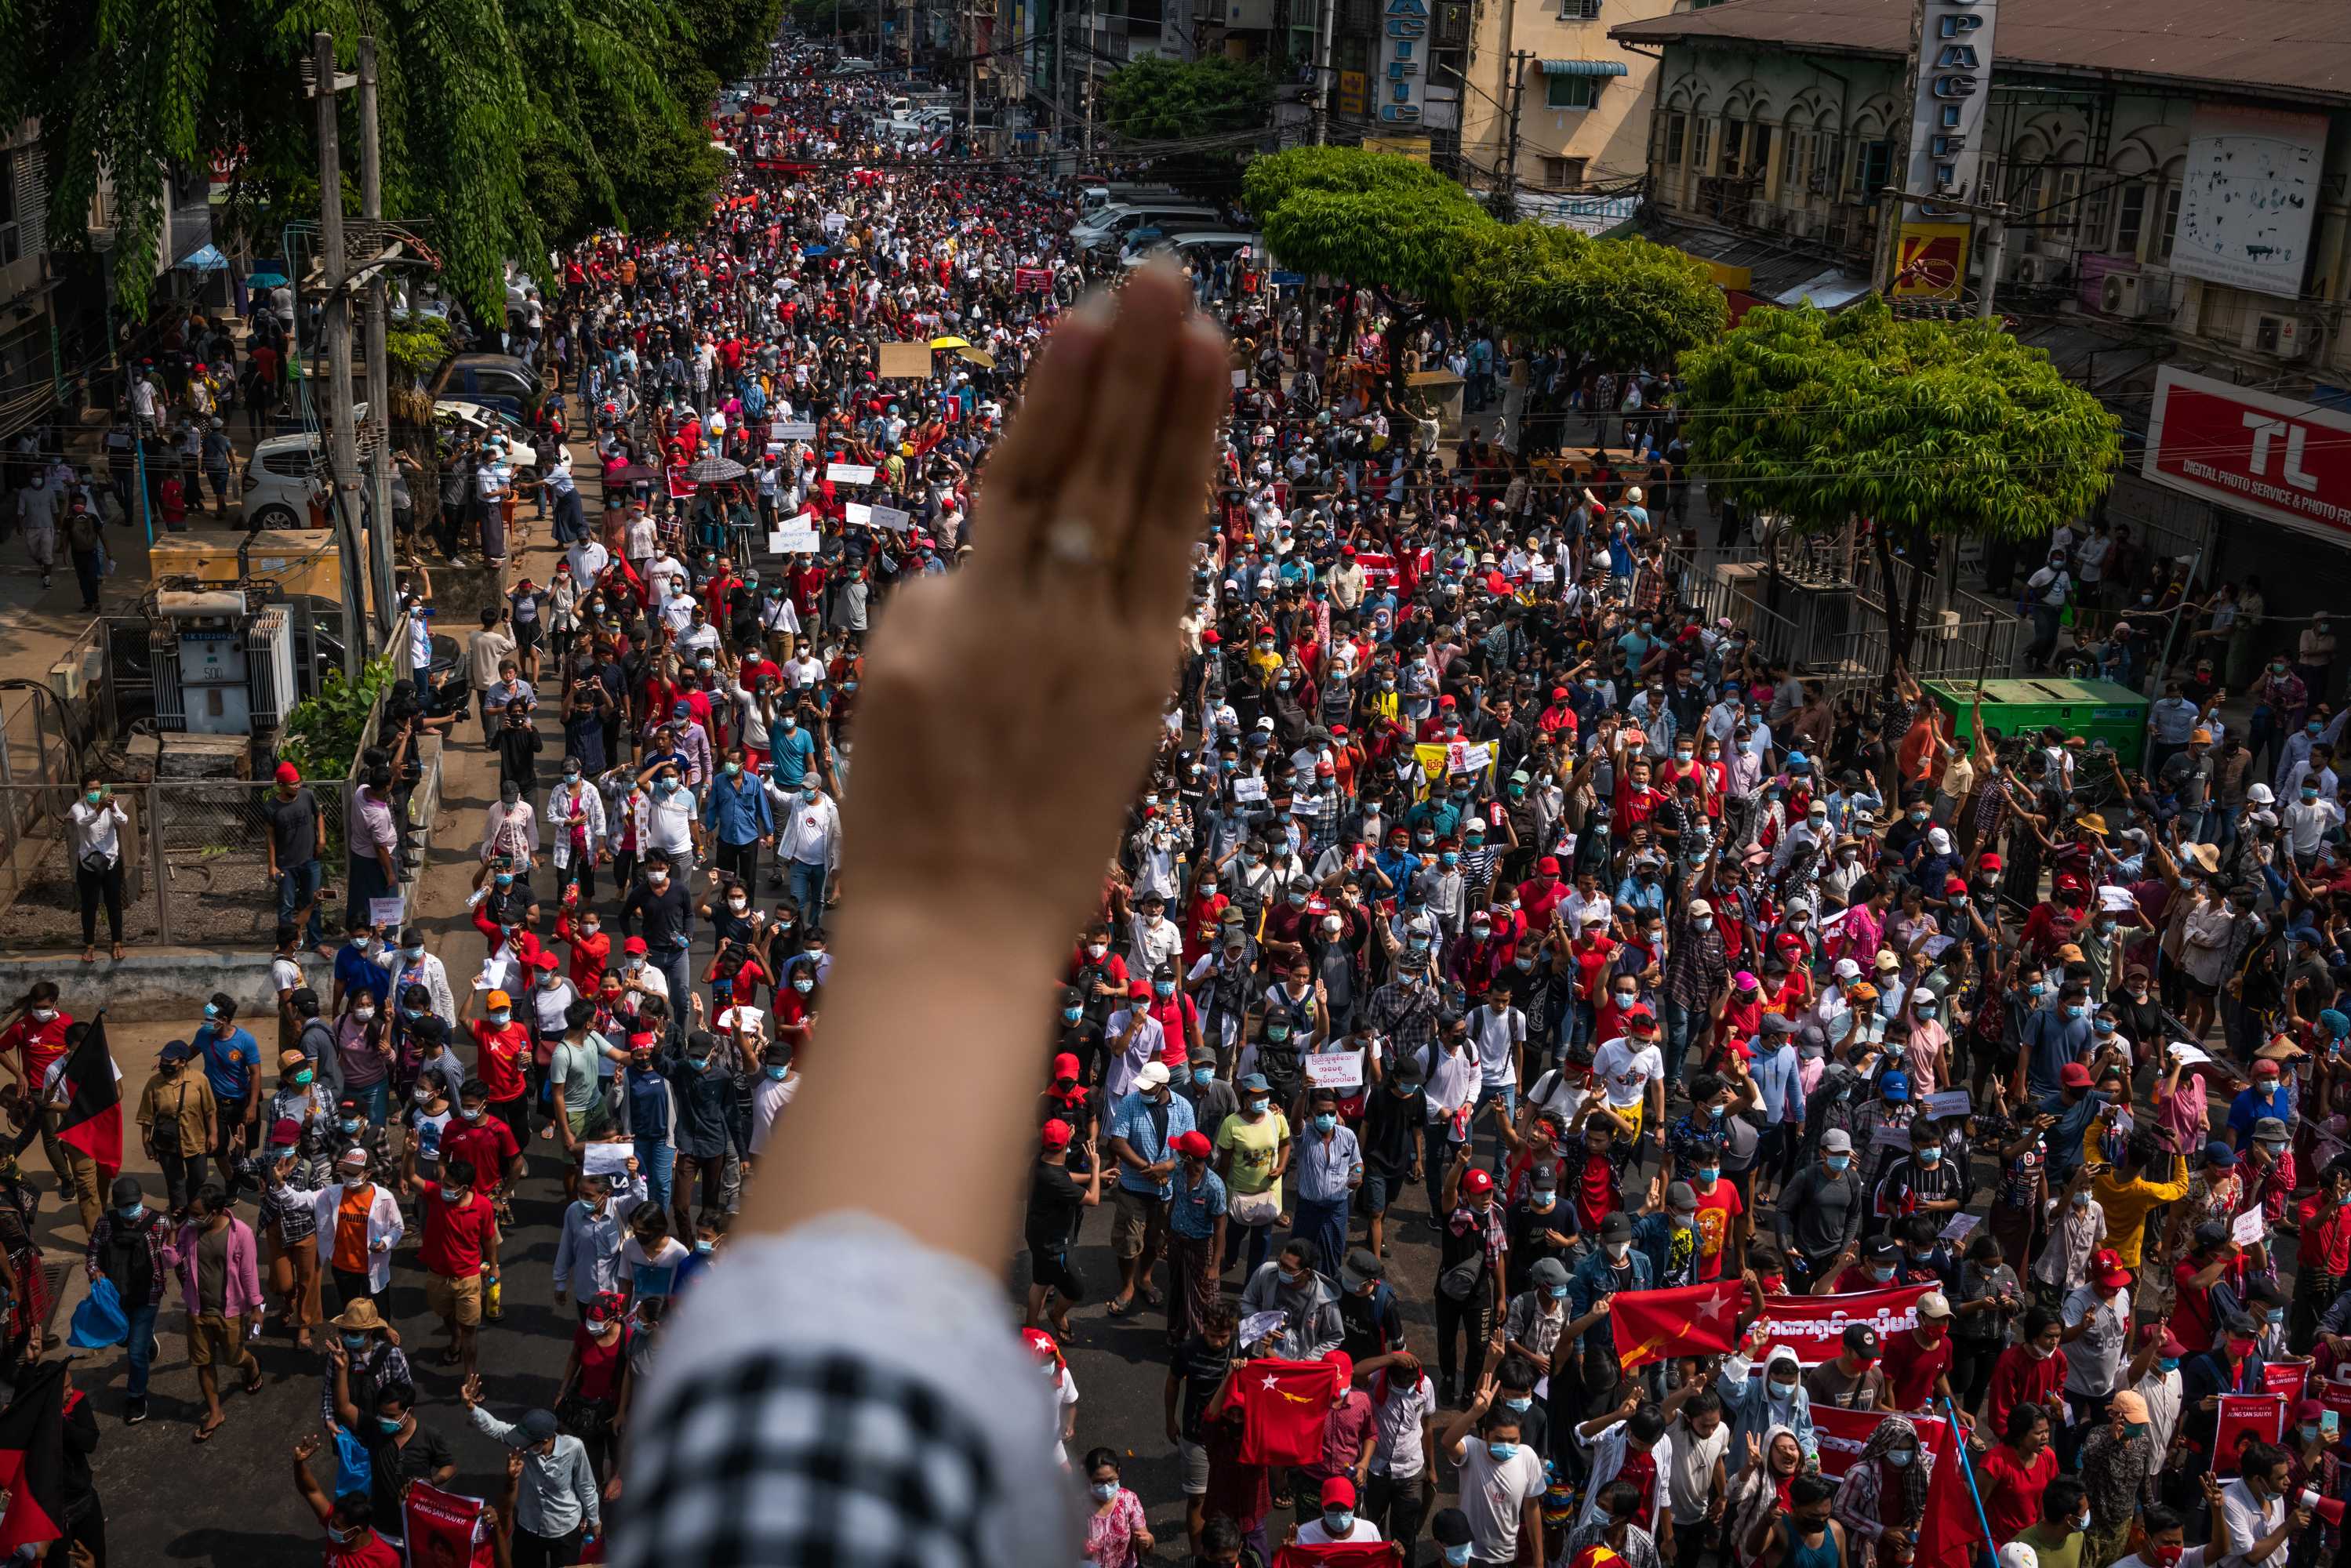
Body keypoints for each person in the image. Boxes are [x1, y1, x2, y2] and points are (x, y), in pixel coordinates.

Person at [462, 1374, 601, 1566]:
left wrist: (594, 1521)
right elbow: (495, 1427)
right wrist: (471, 1407)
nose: (520, 1447)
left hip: (564, 1529)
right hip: (528, 1526)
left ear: (545, 1441)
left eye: (527, 1444)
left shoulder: (574, 1448)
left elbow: (586, 1485)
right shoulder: (523, 1442)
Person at [174, 1181, 262, 1440]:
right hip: (198, 1309)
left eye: (198, 1214)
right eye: (191, 1212)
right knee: (203, 1362)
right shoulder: (188, 1232)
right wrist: (173, 1231)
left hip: (230, 1311)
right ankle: (215, 1412)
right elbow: (170, 1259)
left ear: (217, 1211)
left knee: (234, 1358)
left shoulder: (241, 1233)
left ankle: (251, 1365)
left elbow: (248, 1272)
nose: (194, 1218)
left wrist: (257, 1308)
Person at [85, 1174, 173, 1424]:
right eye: (124, 1206)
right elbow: (92, 1254)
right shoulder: (105, 1224)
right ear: (116, 1205)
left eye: (134, 1204)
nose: (130, 1210)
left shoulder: (160, 1223)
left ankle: (136, 1398)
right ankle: (145, 1342)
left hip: (149, 1295)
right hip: (116, 1296)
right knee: (123, 1339)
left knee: (135, 1353)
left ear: (141, 1199)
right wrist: (95, 1272)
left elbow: (176, 1255)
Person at [1441, 1374, 1549, 1568]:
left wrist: (1538, 1556)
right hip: (1470, 1553)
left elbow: (1532, 1508)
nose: (1506, 1445)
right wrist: (1474, 1412)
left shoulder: (1528, 1457)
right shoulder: (1472, 1449)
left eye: (1512, 1441)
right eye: (1499, 1439)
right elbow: (1448, 1443)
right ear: (1485, 1435)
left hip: (1506, 1556)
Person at [137, 1039, 216, 1217]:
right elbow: (146, 1116)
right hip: (166, 1143)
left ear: (182, 1062)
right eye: (163, 1060)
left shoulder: (199, 1080)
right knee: (175, 1184)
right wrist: (146, 1143)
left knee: (199, 1177)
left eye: (169, 1061)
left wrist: (213, 1134)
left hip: (195, 1139)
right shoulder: (154, 1084)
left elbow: (210, 1110)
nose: (164, 1064)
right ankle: (179, 1219)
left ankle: (194, 1209)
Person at [67, 777, 130, 963]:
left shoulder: (111, 804)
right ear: (84, 791)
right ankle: (89, 945)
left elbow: (123, 821)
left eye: (98, 788)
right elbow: (83, 822)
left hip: (111, 861)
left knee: (114, 904)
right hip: (89, 865)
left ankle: (117, 942)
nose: (95, 792)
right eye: (91, 789)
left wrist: (111, 808)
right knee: (89, 905)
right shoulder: (78, 807)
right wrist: (100, 807)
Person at [1081, 1446, 1155, 1567]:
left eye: (1111, 1480)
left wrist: (1149, 1541)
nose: (1105, 1487)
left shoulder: (1129, 1501)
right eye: (1099, 1482)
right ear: (1088, 1477)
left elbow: (1146, 1549)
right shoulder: (1078, 1506)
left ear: (1118, 1473)